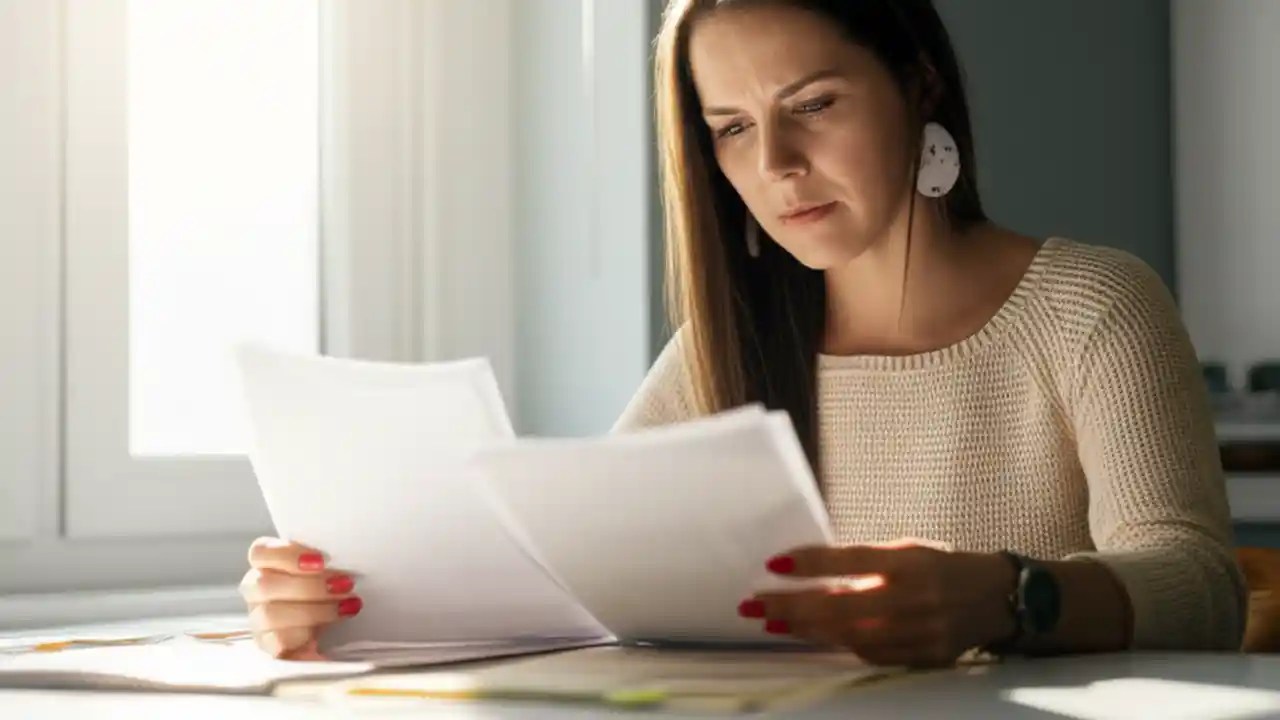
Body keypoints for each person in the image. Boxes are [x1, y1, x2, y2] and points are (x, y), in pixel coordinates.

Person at [240, 0, 1246, 667]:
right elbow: (565, 576)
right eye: (728, 127)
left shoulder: (1091, 308)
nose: (775, 163)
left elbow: (1201, 589)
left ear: (918, 84)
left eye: (810, 104)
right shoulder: (720, 345)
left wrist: (1003, 596)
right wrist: (345, 597)